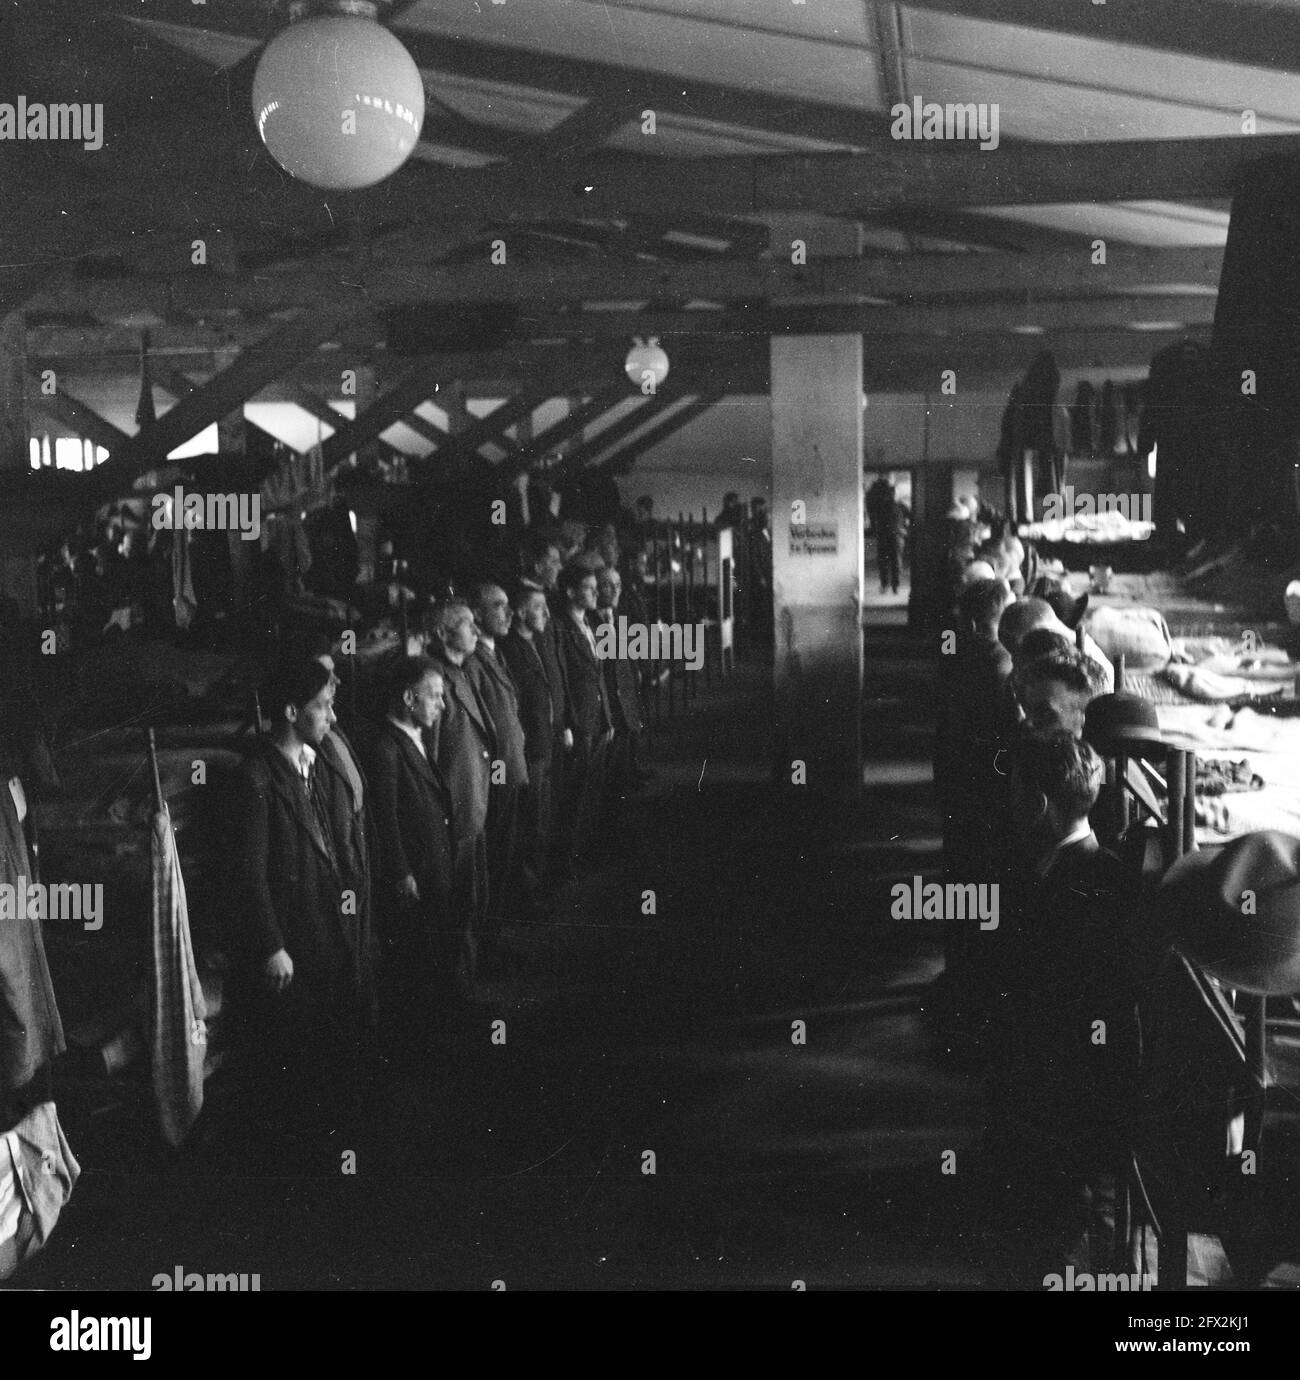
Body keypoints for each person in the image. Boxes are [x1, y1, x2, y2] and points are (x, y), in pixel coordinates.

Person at [983, 733, 1138, 1284]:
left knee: (1063, 1220)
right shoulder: (1077, 870)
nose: (1009, 802)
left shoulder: (1087, 885)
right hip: (1054, 1078)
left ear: (1039, 804)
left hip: (1070, 1090)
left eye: (1016, 791)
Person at [232, 657, 374, 1155]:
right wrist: (271, 946)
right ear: (291, 711)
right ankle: (302, 1154)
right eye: (323, 707)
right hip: (292, 939)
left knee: (328, 1042)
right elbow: (248, 874)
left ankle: (331, 1138)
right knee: (297, 1051)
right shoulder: (256, 777)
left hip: (322, 924)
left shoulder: (310, 764)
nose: (332, 718)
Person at [367, 656, 454, 1039]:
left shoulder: (414, 738)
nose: (441, 704)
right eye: (433, 695)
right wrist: (401, 872)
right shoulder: (386, 748)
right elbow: (386, 820)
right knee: (414, 961)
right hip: (414, 875)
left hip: (431, 866)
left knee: (432, 954)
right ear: (407, 698)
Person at [426, 601, 495, 998]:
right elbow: (431, 756)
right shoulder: (435, 678)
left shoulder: (461, 670)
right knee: (459, 904)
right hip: (455, 808)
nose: (475, 628)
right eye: (466, 624)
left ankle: (470, 977)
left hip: (474, 801)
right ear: (441, 634)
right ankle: (459, 991)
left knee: (474, 898)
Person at [467, 583, 530, 957]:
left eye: (509, 605)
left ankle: (496, 935)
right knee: (494, 855)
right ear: (477, 615)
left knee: (505, 853)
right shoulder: (475, 661)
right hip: (498, 775)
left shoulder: (494, 653)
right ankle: (490, 944)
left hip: (510, 769)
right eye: (498, 606)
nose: (509, 613)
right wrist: (498, 780)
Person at [502, 585, 564, 919]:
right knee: (530, 825)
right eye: (539, 608)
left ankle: (534, 889)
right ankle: (527, 897)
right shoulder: (513, 649)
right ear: (521, 612)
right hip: (530, 750)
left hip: (543, 744)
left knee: (539, 820)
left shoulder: (532, 642)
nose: (547, 614)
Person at [554, 562, 613, 876]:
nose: (596, 592)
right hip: (580, 722)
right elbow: (563, 680)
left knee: (592, 790)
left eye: (595, 587)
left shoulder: (589, 621)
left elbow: (597, 674)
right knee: (575, 795)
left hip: (597, 717)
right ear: (570, 592)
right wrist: (568, 723)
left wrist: (608, 717)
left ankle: (583, 852)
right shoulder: (562, 627)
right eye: (589, 588)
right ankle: (569, 860)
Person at [594, 567, 649, 806]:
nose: (616, 590)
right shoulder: (592, 621)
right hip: (608, 701)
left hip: (624, 697)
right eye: (608, 585)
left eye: (618, 584)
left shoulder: (618, 617)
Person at [866, 474, 903, 594]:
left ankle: (886, 585)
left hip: (884, 534)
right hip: (894, 534)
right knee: (895, 560)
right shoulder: (897, 505)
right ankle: (894, 586)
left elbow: (872, 517)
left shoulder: (878, 505)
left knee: (884, 560)